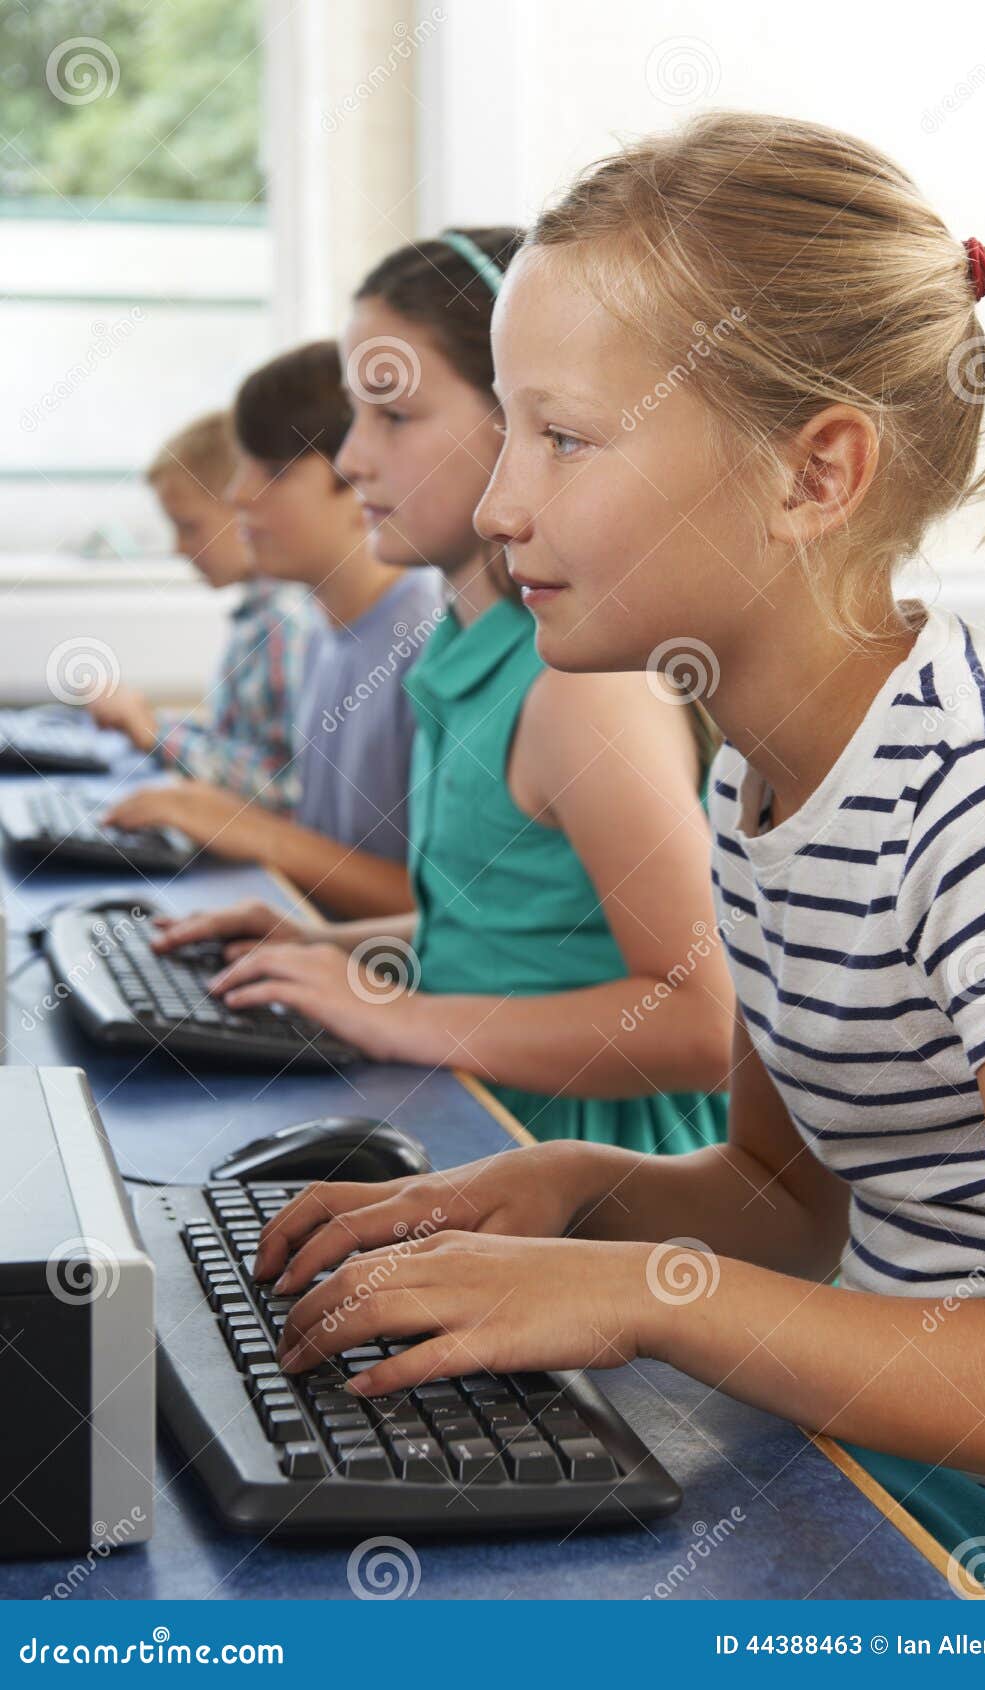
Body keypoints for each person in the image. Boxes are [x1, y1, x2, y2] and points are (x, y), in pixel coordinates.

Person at [248, 117, 985, 1597]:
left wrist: (646, 1294)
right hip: (879, 1473)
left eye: (563, 438)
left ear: (813, 474)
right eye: (508, 432)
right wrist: (563, 1187)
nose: (500, 505)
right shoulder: (761, 775)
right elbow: (782, 1199)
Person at [154, 227, 733, 1152]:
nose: (351, 460)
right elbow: (498, 938)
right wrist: (324, 946)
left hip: (595, 1174)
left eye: (393, 415)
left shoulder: (581, 689)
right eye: (355, 418)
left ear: (521, 418)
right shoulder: (464, 649)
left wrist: (399, 1016)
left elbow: (704, 1022)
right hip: (479, 1126)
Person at [105, 342, 443, 917]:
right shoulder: (321, 629)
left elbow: (444, 912)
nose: (238, 494)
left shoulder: (428, 642)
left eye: (274, 471)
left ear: (360, 474)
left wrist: (252, 831)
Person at [90, 409, 316, 810]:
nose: (178, 547)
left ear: (244, 506)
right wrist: (150, 722)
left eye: (189, 527)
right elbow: (238, 747)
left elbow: (285, 785)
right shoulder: (257, 615)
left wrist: (155, 736)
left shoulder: (283, 624)